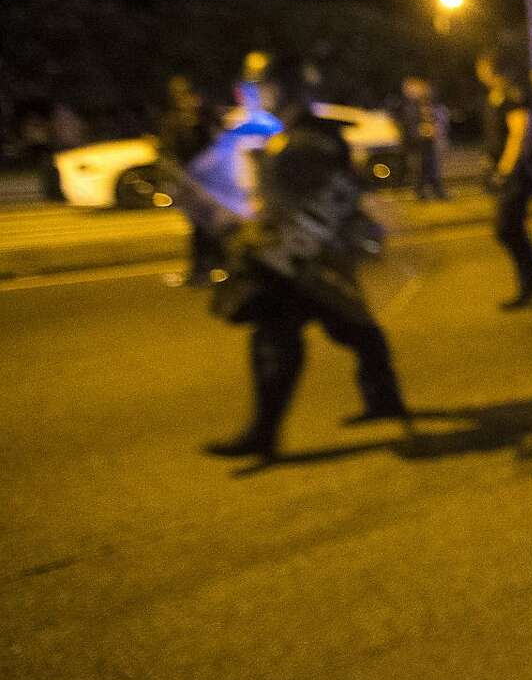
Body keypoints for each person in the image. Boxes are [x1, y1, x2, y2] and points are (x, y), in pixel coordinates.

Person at [195, 74, 408, 459]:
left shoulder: (309, 139)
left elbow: (324, 198)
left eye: (264, 88)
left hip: (305, 255)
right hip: (306, 253)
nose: (258, 97)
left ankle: (263, 434)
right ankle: (382, 399)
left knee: (287, 336)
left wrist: (277, 231)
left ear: (282, 91)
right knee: (345, 327)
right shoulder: (299, 134)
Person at [477, 50, 532, 309]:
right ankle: (529, 285)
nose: (483, 75)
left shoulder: (516, 96)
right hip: (504, 173)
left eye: (486, 70)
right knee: (513, 231)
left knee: (506, 229)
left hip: (517, 175)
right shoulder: (496, 97)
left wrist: (505, 169)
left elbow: (521, 134)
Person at [157, 75, 219, 284]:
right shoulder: (173, 122)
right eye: (180, 95)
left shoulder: (206, 120)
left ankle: (206, 270)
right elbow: (167, 153)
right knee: (200, 227)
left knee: (207, 228)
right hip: (188, 184)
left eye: (189, 94)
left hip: (209, 183)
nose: (187, 100)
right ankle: (203, 270)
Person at [398, 76, 449, 201]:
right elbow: (407, 125)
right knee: (419, 169)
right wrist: (420, 131)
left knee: (431, 167)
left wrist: (432, 129)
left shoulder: (425, 103)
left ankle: (436, 191)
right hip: (416, 143)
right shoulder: (407, 106)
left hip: (428, 142)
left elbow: (433, 119)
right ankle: (421, 193)